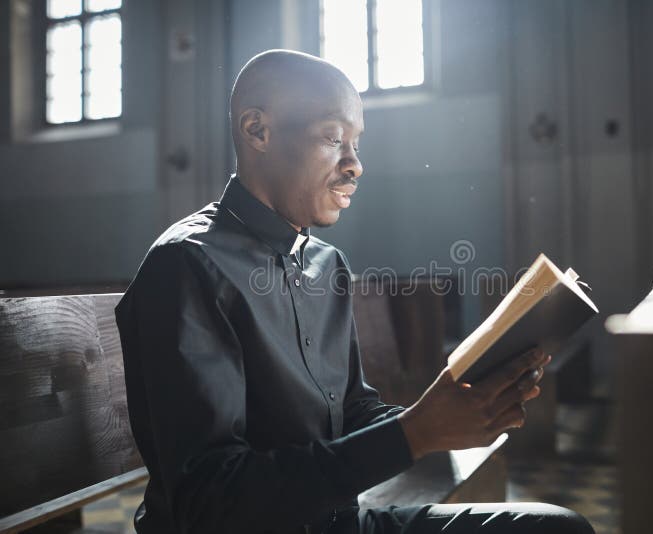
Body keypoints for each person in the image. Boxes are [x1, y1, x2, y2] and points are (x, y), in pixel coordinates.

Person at [115, 49, 594, 534]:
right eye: (333, 137)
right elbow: (208, 503)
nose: (355, 165)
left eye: (357, 144)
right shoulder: (186, 264)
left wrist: (449, 415)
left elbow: (351, 408)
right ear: (257, 130)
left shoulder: (327, 264)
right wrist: (414, 434)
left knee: (558, 528)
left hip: (335, 521)